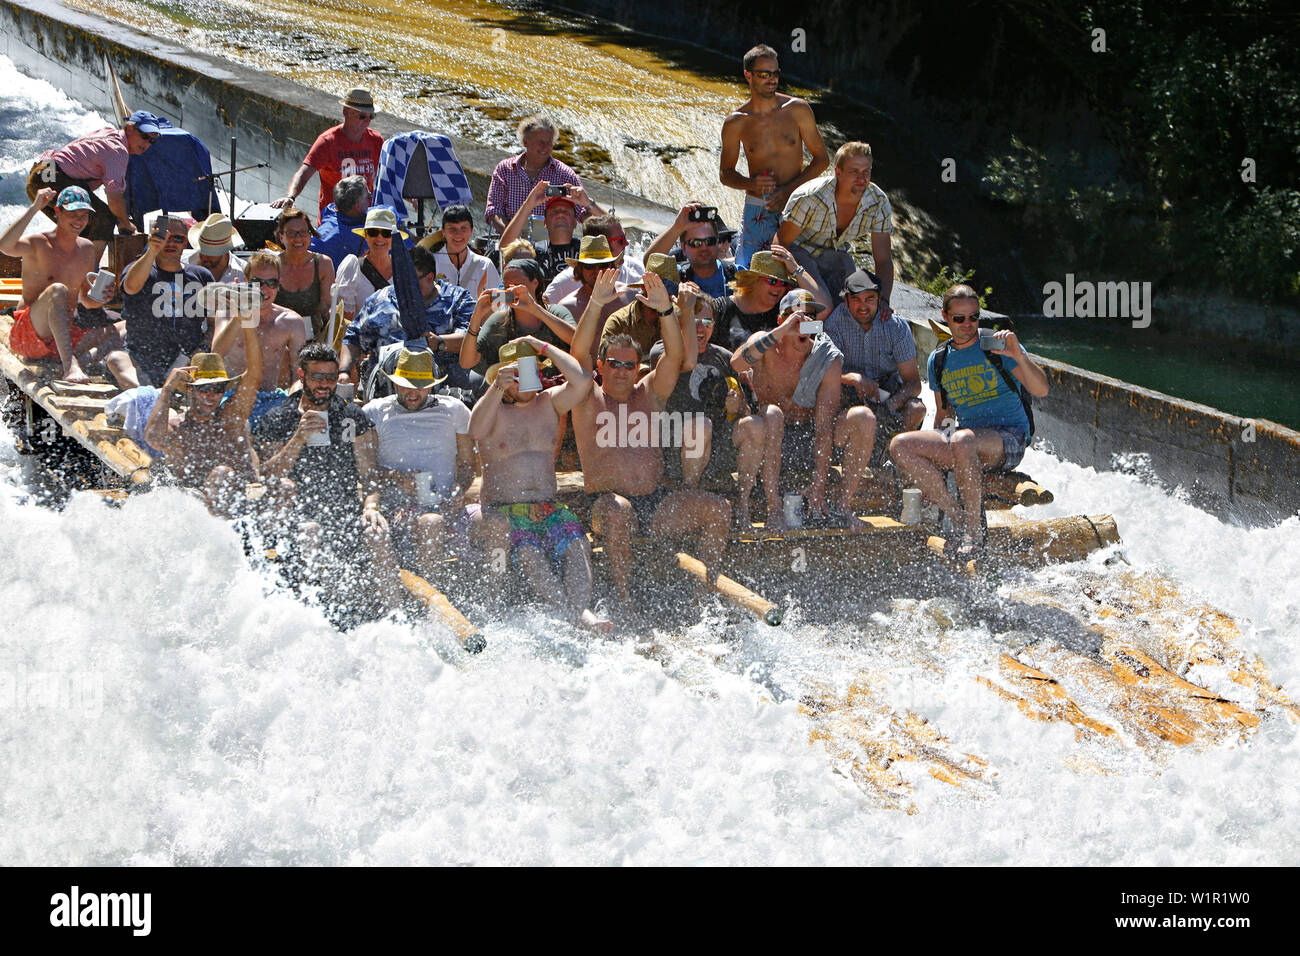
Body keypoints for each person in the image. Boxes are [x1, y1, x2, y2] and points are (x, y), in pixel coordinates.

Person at [570, 270, 730, 607]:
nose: (621, 371)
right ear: (600, 365)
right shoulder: (588, 398)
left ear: (638, 369)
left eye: (629, 365)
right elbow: (577, 354)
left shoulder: (650, 394)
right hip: (604, 506)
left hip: (655, 503)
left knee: (717, 509)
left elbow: (674, 357)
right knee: (618, 512)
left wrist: (667, 312)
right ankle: (624, 600)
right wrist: (597, 302)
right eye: (613, 364)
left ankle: (705, 597)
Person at [889, 285, 1049, 555]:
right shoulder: (938, 360)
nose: (967, 325)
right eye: (959, 319)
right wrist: (933, 463)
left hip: (1008, 439)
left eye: (973, 317)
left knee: (963, 439)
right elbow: (943, 416)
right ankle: (956, 515)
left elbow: (1041, 389)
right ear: (945, 317)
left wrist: (1018, 356)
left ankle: (974, 533)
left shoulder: (997, 347)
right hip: (966, 443)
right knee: (900, 445)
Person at [468, 336, 610, 633]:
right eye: (518, 375)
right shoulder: (494, 409)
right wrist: (497, 386)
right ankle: (574, 619)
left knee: (578, 545)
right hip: (504, 510)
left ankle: (578, 611)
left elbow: (582, 382)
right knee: (530, 554)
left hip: (548, 506)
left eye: (531, 372)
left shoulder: (550, 402)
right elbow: (475, 429)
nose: (527, 382)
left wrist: (542, 346)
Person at [253, 342, 402, 605]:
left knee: (377, 531)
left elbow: (369, 476)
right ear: (302, 376)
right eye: (317, 377)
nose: (325, 384)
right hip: (297, 514)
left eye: (331, 377)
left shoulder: (350, 417)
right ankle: (317, 612)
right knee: (310, 530)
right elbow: (267, 475)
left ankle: (394, 613)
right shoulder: (280, 418)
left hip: (344, 512)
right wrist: (298, 438)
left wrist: (371, 506)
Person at [732, 291, 874, 531]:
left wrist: (819, 483)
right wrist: (782, 331)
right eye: (796, 317)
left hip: (808, 437)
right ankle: (772, 508)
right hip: (769, 435)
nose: (803, 323)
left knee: (864, 418)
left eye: (809, 317)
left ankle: (843, 506)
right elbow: (737, 363)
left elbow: (824, 425)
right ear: (782, 321)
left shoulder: (826, 356)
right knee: (773, 414)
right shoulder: (765, 343)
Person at [0, 186, 133, 386]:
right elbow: (4, 245)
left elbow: (87, 302)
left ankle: (85, 359)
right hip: (29, 336)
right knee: (58, 290)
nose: (79, 221)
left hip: (64, 338)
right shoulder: (39, 243)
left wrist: (101, 298)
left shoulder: (86, 248)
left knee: (131, 325)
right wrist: (35, 207)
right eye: (73, 214)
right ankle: (70, 364)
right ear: (58, 212)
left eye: (84, 215)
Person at [362, 349, 476, 580]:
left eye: (420, 385)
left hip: (447, 505)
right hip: (400, 510)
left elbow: (467, 465)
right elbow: (364, 472)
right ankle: (433, 599)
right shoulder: (374, 412)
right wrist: (396, 476)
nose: (412, 392)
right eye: (405, 385)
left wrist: (460, 487)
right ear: (394, 383)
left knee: (492, 522)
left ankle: (493, 597)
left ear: (432, 385)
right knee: (431, 522)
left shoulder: (454, 409)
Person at [648, 291, 769, 496]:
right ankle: (690, 497)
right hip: (675, 449)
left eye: (707, 321)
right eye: (693, 320)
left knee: (755, 425)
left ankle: (744, 504)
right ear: (680, 322)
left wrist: (739, 407)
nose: (700, 328)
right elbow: (687, 360)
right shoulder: (663, 352)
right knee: (701, 425)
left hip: (717, 449)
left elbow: (746, 411)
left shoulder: (724, 357)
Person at [720, 45, 829, 268]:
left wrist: (788, 191)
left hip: (797, 204)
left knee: (800, 272)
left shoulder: (798, 109)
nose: (772, 79)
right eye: (764, 74)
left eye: (775, 73)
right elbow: (725, 174)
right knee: (750, 274)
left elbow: (821, 159)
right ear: (747, 75)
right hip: (758, 206)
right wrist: (751, 183)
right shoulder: (736, 122)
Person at [143, 321, 262, 514]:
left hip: (232, 503)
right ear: (191, 390)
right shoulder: (177, 428)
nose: (211, 396)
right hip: (190, 506)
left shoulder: (229, 420)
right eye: (204, 389)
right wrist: (167, 390)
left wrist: (248, 324)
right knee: (221, 474)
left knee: (224, 475)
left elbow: (254, 376)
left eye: (217, 389)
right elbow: (154, 439)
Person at [339, 245, 476, 395]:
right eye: (399, 279)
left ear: (430, 278)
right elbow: (353, 339)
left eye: (408, 281)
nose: (401, 285)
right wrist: (344, 371)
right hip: (385, 391)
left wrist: (440, 342)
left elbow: (470, 338)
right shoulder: (379, 300)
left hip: (440, 391)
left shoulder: (457, 299)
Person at [777, 141, 895, 307]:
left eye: (866, 172)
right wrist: (786, 276)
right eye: (854, 172)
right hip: (800, 251)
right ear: (838, 172)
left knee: (852, 308)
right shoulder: (811, 197)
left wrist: (883, 301)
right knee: (822, 305)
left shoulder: (878, 202)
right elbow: (782, 241)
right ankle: (809, 331)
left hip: (836, 255)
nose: (862, 179)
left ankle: (834, 331)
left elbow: (883, 260)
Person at [823, 269, 925, 462]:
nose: (863, 306)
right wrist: (851, 378)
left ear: (879, 299)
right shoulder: (834, 324)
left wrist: (890, 405)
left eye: (869, 299)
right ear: (846, 301)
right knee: (832, 393)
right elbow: (822, 371)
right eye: (856, 300)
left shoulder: (896, 326)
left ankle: (891, 458)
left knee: (916, 409)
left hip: (889, 392)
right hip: (850, 392)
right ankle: (836, 458)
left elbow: (914, 383)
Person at [27, 110, 158, 257]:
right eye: (144, 136)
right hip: (51, 177)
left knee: (82, 224)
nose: (147, 143)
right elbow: (114, 197)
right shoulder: (118, 151)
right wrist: (125, 224)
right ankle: (89, 272)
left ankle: (67, 263)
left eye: (152, 140)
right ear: (129, 129)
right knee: (105, 218)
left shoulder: (109, 133)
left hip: (40, 173)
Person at [209, 251, 307, 424]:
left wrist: (292, 406)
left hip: (269, 399)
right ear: (246, 282)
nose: (264, 289)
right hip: (230, 397)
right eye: (257, 282)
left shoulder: (291, 322)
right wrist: (240, 315)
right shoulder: (226, 312)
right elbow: (216, 354)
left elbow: (299, 376)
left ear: (279, 285)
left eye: (271, 282)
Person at [120, 214, 212, 387]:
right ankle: (152, 398)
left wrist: (203, 349)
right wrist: (152, 251)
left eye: (178, 238)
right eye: (165, 237)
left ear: (185, 243)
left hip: (186, 360)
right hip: (141, 360)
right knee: (116, 359)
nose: (171, 243)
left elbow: (215, 322)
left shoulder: (201, 276)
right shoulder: (138, 269)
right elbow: (131, 287)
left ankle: (159, 395)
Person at [272, 89, 383, 222]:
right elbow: (303, 173)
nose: (367, 121)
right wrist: (291, 196)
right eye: (362, 116)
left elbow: (391, 175)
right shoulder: (327, 141)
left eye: (371, 116)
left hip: (365, 220)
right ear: (346, 112)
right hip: (333, 220)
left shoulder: (376, 140)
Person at [459, 258, 575, 376]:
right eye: (506, 286)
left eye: (517, 285)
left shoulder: (556, 312)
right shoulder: (499, 320)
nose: (511, 290)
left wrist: (535, 309)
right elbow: (467, 363)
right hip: (514, 390)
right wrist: (476, 317)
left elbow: (577, 340)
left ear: (535, 283)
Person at [485, 114, 598, 233]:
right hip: (511, 246)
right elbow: (494, 211)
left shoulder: (565, 174)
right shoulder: (505, 169)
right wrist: (513, 238)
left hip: (552, 247)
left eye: (549, 142)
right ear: (525, 142)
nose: (545, 147)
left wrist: (600, 225)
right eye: (540, 142)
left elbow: (584, 214)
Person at [711, 246, 828, 349]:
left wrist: (797, 270)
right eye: (772, 281)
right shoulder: (721, 309)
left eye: (783, 283)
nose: (778, 287)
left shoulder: (785, 313)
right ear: (754, 280)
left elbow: (823, 315)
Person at [552, 234, 635, 366]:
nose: (597, 271)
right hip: (587, 376)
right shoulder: (567, 307)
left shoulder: (629, 295)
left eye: (602, 265)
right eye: (590, 266)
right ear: (580, 269)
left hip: (626, 372)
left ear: (611, 266)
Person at [496, 178, 594, 284]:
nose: (560, 214)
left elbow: (614, 235)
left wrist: (588, 203)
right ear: (545, 223)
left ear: (575, 222)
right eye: (554, 211)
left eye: (566, 211)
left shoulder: (587, 250)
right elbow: (505, 246)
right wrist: (528, 204)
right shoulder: (536, 251)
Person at [643, 201, 736, 300]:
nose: (704, 248)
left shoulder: (736, 273)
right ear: (683, 248)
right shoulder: (677, 276)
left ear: (717, 243)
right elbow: (650, 262)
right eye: (696, 243)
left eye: (710, 241)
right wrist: (677, 227)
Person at [543, 213, 645, 303]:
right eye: (620, 240)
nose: (626, 243)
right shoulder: (564, 281)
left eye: (603, 265)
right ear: (600, 243)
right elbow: (544, 308)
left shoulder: (636, 268)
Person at [332, 205, 402, 336]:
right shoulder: (352, 265)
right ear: (365, 235)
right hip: (356, 341)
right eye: (374, 232)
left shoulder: (403, 270)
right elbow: (344, 320)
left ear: (394, 238)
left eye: (386, 233)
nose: (380, 238)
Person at [598, 254, 683, 359]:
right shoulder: (619, 322)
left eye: (669, 289)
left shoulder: (680, 317)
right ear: (643, 287)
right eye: (656, 287)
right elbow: (606, 364)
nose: (662, 294)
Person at [274, 208, 335, 343]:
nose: (298, 238)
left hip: (314, 341)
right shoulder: (272, 267)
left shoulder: (323, 264)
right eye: (291, 233)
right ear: (281, 237)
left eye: (303, 232)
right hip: (278, 340)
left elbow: (327, 308)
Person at [428, 204, 500, 296]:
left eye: (463, 228)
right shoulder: (431, 263)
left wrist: (518, 297)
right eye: (452, 229)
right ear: (443, 232)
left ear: (471, 230)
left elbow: (500, 300)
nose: (458, 234)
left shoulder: (485, 265)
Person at [310, 174, 370, 268]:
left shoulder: (330, 210)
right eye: (368, 197)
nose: (370, 200)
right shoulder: (328, 239)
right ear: (357, 206)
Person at [183, 213, 246, 284]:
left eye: (210, 253)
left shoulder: (244, 272)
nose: (204, 257)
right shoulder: (182, 263)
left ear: (224, 252)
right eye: (202, 251)